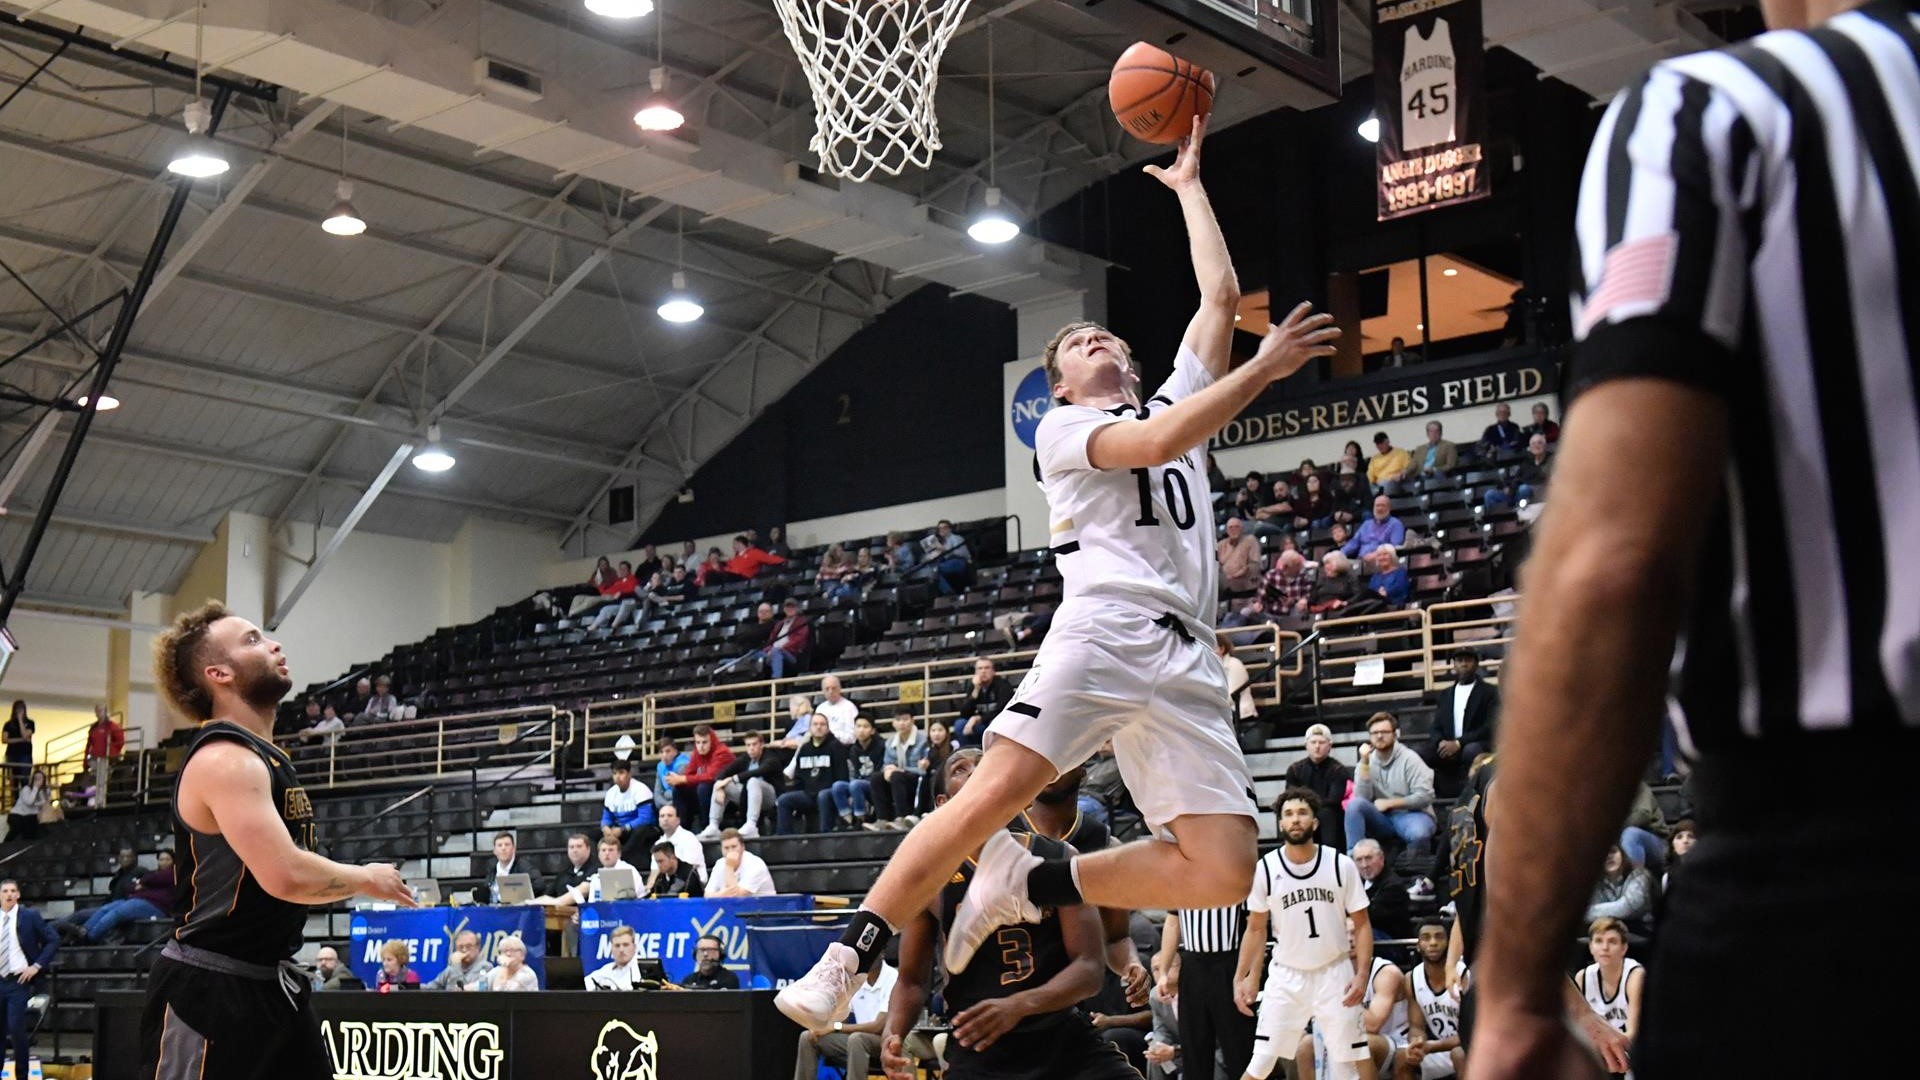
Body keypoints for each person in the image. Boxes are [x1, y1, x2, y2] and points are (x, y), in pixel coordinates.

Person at [777, 113, 1345, 1033]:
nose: (1094, 340)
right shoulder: (1065, 431)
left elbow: (1221, 298)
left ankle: (1033, 876)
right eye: (1075, 345)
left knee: (1227, 868)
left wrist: (1191, 187)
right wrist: (1267, 370)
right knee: (986, 799)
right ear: (1063, 385)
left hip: (1191, 656)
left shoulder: (1170, 396)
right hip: (1108, 628)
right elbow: (1162, 438)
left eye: (1101, 337)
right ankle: (848, 959)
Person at [878, 750, 1138, 1080]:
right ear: (943, 802)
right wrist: (893, 1033)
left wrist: (1020, 1005)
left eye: (984, 763)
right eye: (961, 769)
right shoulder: (930, 878)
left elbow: (1089, 968)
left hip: (1059, 1037)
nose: (976, 770)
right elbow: (912, 981)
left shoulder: (1056, 856)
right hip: (980, 1048)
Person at [1233, 789, 1373, 1080]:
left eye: (1302, 813)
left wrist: (1361, 975)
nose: (1295, 819)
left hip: (1335, 973)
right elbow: (1256, 928)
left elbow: (1361, 924)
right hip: (1286, 975)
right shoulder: (1266, 869)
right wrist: (1243, 976)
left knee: (1348, 1065)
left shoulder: (1340, 865)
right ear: (1281, 825)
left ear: (1314, 822)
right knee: (1260, 1063)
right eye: (1288, 814)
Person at [1159, 904, 1257, 1080]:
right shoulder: (1179, 879)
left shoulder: (1237, 877)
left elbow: (1255, 926)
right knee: (1194, 1050)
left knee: (1239, 1050)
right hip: (1192, 967)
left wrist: (1252, 975)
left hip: (1231, 966)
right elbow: (1173, 923)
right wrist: (1163, 972)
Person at [1344, 713, 1435, 854]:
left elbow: (1425, 796)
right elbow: (1362, 798)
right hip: (1382, 819)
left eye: (1384, 732)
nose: (1379, 736)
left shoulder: (1410, 759)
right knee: (1354, 805)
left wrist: (1390, 803)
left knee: (1419, 832)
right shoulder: (1366, 760)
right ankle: (1354, 858)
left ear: (1395, 734)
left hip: (1413, 814)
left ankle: (1418, 869)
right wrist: (1364, 764)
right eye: (1375, 733)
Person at [798, 953, 894, 1080]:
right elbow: (842, 1015)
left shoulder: (893, 977)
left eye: (873, 953)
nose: (868, 958)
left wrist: (835, 1026)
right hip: (856, 1041)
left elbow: (878, 1026)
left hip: (884, 1041)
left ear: (882, 953)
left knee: (857, 1039)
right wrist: (822, 1025)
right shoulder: (857, 978)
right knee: (808, 1037)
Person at [0, 880, 58, 1080]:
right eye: (5, 891)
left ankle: (22, 1075)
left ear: (18, 895)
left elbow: (53, 939)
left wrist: (36, 966)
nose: (9, 894)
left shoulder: (29, 916)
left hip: (18, 981)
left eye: (13, 891)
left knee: (16, 1028)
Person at [1422, 649, 1498, 800]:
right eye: (1460, 660)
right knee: (1420, 754)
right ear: (1454, 666)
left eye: (1468, 660)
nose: (1464, 664)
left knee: (1471, 750)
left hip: (1476, 744)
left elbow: (1490, 726)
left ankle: (1473, 796)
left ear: (1476, 665)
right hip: (1449, 746)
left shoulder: (1490, 692)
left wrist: (1459, 743)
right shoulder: (1445, 694)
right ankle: (1431, 795)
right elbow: (1435, 727)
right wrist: (1440, 742)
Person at [1402, 920, 1465, 1080]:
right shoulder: (1412, 979)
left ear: (1450, 943)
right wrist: (1418, 1044)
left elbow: (1471, 1032)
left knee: (1459, 1055)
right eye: (1426, 937)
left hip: (1469, 1047)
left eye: (1439, 937)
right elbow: (1416, 1025)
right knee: (1402, 1057)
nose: (1433, 943)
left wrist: (1432, 1046)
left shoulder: (1464, 975)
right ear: (1418, 945)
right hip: (1439, 1049)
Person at [1573, 918, 1643, 1054]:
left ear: (1624, 948)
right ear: (1590, 947)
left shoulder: (1635, 975)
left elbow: (1633, 1034)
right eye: (1599, 941)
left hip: (1629, 1051)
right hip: (1598, 1051)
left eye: (1612, 941)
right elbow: (1577, 1030)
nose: (1605, 947)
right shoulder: (1582, 977)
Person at [81, 849, 175, 943]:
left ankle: (90, 937)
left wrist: (142, 882)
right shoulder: (153, 874)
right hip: (137, 900)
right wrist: (143, 883)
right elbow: (131, 888)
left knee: (117, 912)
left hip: (157, 907)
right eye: (161, 859)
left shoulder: (174, 874)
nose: (164, 862)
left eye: (167, 859)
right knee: (106, 908)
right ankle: (83, 931)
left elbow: (153, 879)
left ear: (173, 861)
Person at [703, 731, 783, 839]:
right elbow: (725, 771)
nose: (751, 748)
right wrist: (720, 786)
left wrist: (732, 779)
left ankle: (751, 824)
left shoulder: (771, 757)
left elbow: (759, 771)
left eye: (754, 744)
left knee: (753, 781)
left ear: (762, 745)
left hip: (770, 797)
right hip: (748, 796)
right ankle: (713, 825)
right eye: (748, 745)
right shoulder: (746, 758)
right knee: (722, 785)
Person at [777, 712, 848, 834]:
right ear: (810, 728)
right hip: (809, 794)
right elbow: (798, 778)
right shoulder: (804, 748)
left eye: (822, 724)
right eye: (815, 724)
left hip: (829, 792)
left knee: (823, 796)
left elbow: (842, 776)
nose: (819, 727)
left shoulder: (836, 746)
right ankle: (784, 837)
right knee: (784, 799)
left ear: (828, 728)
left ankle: (825, 834)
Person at [1285, 725, 1351, 850]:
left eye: (1321, 742)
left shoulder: (1338, 770)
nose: (1317, 746)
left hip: (1329, 815)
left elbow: (1334, 800)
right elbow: (1291, 797)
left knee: (1327, 814)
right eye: (1313, 742)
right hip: (1303, 811)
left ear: (1329, 745)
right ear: (1306, 745)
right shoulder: (1294, 770)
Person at [666, 724, 734, 830]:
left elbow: (712, 776)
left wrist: (683, 778)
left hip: (727, 794)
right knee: (679, 788)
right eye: (698, 742)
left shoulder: (722, 752)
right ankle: (682, 829)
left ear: (712, 740)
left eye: (704, 742)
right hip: (708, 792)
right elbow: (689, 773)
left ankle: (707, 827)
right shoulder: (697, 752)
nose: (701, 746)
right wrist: (678, 779)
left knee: (704, 787)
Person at [871, 710, 928, 830]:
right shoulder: (890, 742)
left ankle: (901, 818)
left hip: (917, 779)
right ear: (893, 723)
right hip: (898, 778)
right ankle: (882, 819)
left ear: (912, 721)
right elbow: (887, 763)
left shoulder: (923, 739)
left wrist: (900, 770)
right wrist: (887, 770)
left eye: (905, 719)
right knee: (876, 777)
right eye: (898, 720)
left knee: (896, 775)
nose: (902, 723)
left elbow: (923, 769)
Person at [1583, 844, 1654, 939]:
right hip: (1608, 931)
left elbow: (1628, 907)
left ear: (1622, 853)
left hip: (1642, 932)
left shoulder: (1640, 875)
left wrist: (1586, 911)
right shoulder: (1596, 881)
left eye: (1613, 851)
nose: (1608, 856)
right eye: (1603, 854)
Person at [1351, 840, 1411, 943]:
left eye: (1368, 858)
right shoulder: (1357, 883)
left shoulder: (1394, 886)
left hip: (1391, 944)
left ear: (1381, 858)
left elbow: (1369, 917)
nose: (1364, 865)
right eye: (1359, 860)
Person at [834, 716, 887, 828]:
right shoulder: (853, 749)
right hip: (858, 781)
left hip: (875, 783)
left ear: (872, 730)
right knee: (837, 786)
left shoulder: (881, 745)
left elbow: (883, 768)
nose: (861, 730)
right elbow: (852, 771)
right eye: (858, 726)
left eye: (865, 726)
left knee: (855, 785)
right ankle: (847, 819)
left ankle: (860, 818)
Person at [601, 760, 658, 860]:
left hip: (644, 828)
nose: (617, 777)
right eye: (614, 773)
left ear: (629, 774)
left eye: (621, 773)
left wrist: (624, 828)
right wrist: (605, 827)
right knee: (593, 834)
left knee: (640, 831)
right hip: (620, 830)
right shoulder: (611, 793)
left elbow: (645, 818)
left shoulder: (640, 789)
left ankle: (622, 857)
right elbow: (606, 817)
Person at [957, 658, 1014, 749]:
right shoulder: (973, 686)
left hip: (997, 724)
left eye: (987, 668)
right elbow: (964, 713)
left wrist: (978, 719)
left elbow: (1003, 710)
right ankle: (968, 756)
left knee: (995, 727)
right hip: (981, 725)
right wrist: (976, 690)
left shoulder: (1003, 685)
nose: (983, 671)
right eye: (980, 668)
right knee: (960, 724)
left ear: (993, 671)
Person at [568, 837, 641, 904]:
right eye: (603, 850)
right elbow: (593, 903)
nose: (607, 853)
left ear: (619, 854)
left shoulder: (629, 870)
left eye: (611, 850)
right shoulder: (596, 877)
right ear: (599, 854)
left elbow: (639, 897)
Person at [705, 829, 777, 897]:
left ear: (742, 847)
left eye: (734, 847)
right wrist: (721, 895)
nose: (730, 851)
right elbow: (707, 895)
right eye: (726, 848)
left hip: (764, 907)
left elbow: (736, 897)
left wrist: (729, 866)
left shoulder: (756, 864)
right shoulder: (719, 864)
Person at [651, 805, 708, 883]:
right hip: (669, 887)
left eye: (669, 815)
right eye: (662, 816)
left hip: (692, 886)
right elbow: (654, 871)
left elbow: (688, 869)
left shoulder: (689, 838)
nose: (665, 819)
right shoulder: (658, 843)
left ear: (678, 820)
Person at [760, 598, 812, 680]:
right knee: (754, 655)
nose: (790, 609)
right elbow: (771, 640)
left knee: (777, 651)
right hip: (773, 651)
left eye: (792, 607)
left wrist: (781, 648)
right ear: (784, 609)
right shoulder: (779, 624)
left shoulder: (801, 622)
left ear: (797, 609)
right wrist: (768, 650)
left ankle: (776, 681)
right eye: (787, 607)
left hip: (791, 654)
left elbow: (798, 640)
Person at [1342, 496, 1407, 560]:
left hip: (1381, 560)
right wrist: (1340, 553)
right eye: (1377, 505)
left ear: (1389, 508)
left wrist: (1376, 554)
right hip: (1361, 561)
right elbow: (1354, 542)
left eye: (1382, 505)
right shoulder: (1366, 524)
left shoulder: (1395, 524)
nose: (1379, 508)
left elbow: (1394, 547)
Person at [919, 520, 973, 595]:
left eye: (944, 527)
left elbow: (962, 554)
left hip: (960, 563)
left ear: (950, 529)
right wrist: (930, 556)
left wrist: (943, 550)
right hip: (947, 564)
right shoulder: (941, 542)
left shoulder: (956, 538)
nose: (942, 530)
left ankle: (949, 593)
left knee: (936, 570)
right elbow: (925, 559)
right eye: (940, 528)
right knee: (932, 571)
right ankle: (948, 593)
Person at [425, 930, 493, 991]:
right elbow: (431, 987)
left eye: (468, 946)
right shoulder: (451, 968)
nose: (464, 950)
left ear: (478, 948)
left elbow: (463, 992)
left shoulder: (485, 968)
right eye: (460, 947)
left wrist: (456, 965)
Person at [86, 704, 125, 808]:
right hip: (95, 758)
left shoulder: (111, 726)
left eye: (101, 710)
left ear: (105, 711)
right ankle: (95, 800)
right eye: (97, 711)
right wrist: (85, 760)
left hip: (105, 758)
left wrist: (113, 753)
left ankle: (101, 801)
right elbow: (89, 744)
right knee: (95, 779)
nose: (99, 713)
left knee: (102, 779)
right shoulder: (94, 727)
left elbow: (120, 740)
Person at [585, 925, 644, 991]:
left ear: (634, 947)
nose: (621, 950)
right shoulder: (607, 970)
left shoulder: (642, 968)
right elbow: (586, 983)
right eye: (617, 946)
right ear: (611, 949)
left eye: (625, 945)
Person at [1217, 518, 1264, 596]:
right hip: (1224, 582)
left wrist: (1239, 573)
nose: (1233, 530)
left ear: (1242, 529)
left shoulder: (1250, 540)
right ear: (1227, 531)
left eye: (1237, 527)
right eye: (1231, 527)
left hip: (1243, 580)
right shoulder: (1220, 545)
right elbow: (1215, 564)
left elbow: (1255, 564)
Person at [480, 832, 527, 904]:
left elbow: (539, 886)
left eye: (507, 845)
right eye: (499, 845)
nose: (503, 848)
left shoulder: (524, 867)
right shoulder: (492, 871)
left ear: (513, 849)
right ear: (494, 851)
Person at [546, 833, 596, 901]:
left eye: (579, 846)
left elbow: (583, 891)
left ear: (588, 849)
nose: (575, 850)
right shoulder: (563, 873)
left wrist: (557, 902)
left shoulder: (595, 869)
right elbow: (548, 895)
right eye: (571, 847)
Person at [5, 769, 49, 842]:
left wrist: (41, 793)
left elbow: (44, 804)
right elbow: (29, 802)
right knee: (16, 828)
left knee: (38, 830)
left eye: (40, 778)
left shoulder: (43, 791)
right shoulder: (26, 789)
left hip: (30, 817)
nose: (38, 780)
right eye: (36, 778)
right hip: (17, 815)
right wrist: (35, 788)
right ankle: (5, 846)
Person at [1218, 636, 1256, 722]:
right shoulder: (1216, 666)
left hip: (1241, 715)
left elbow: (1231, 696)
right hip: (1228, 714)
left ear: (1222, 649)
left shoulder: (1234, 664)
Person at [815, 675, 860, 744]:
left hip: (842, 747)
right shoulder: (820, 708)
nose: (831, 692)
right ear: (823, 691)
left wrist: (832, 736)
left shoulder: (849, 707)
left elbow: (853, 737)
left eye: (834, 688)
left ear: (839, 688)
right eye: (827, 689)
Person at [3, 702, 34, 797]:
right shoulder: (8, 724)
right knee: (14, 781)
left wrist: (20, 720)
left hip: (25, 755)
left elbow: (25, 734)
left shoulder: (30, 723)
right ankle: (15, 803)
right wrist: (22, 740)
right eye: (18, 709)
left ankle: (25, 803)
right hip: (12, 755)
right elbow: (4, 739)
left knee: (25, 780)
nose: (20, 711)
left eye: (21, 709)